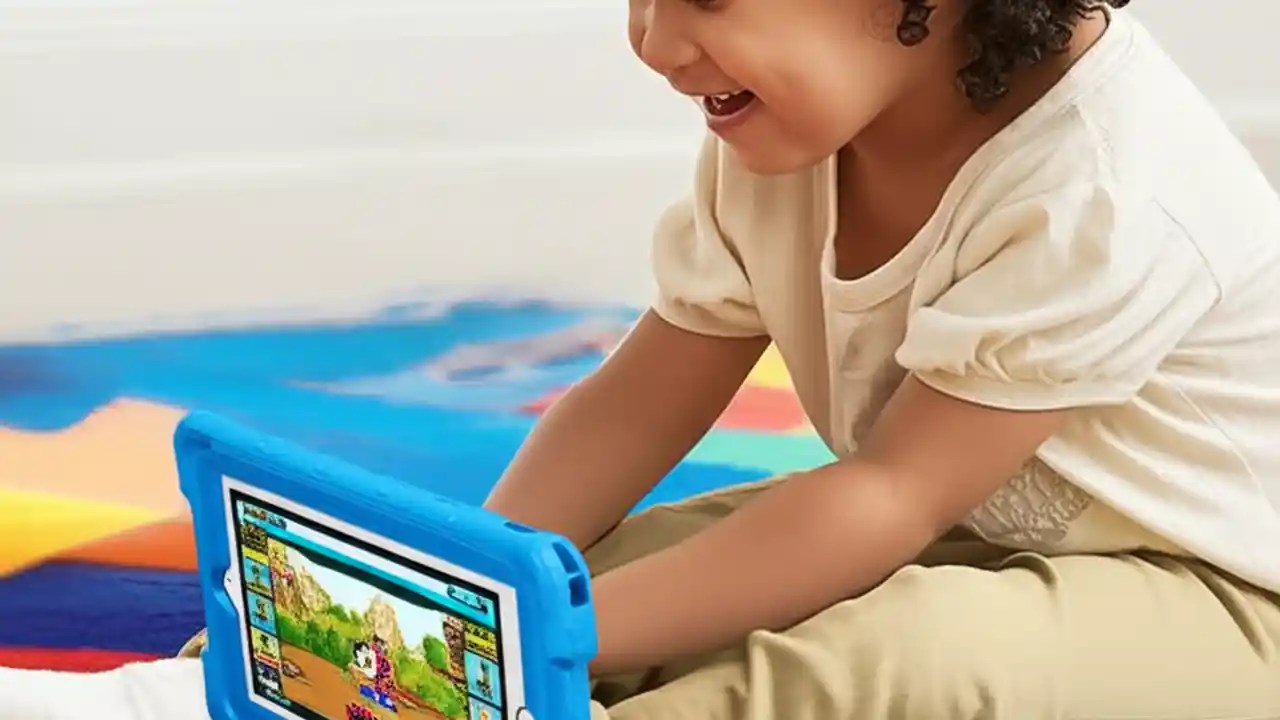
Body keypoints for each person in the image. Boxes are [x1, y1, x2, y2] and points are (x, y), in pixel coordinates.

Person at [482, 0, 1280, 718]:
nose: (656, 43)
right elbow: (637, 406)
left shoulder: (1098, 187)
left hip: (1230, 593)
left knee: (900, 663)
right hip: (978, 528)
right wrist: (466, 586)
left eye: (707, 0)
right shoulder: (793, 134)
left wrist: (547, 638)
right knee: (577, 575)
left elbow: (892, 495)